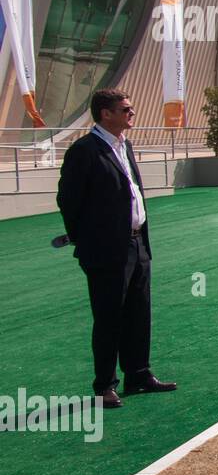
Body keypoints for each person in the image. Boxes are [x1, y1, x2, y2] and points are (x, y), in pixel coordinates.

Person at [56, 89, 176, 408]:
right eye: (125, 109)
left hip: (138, 244)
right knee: (109, 317)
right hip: (107, 251)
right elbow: (68, 200)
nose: (131, 113)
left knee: (139, 311)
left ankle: (138, 373)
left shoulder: (125, 145)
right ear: (105, 114)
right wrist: (85, 240)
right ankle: (105, 385)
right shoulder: (85, 150)